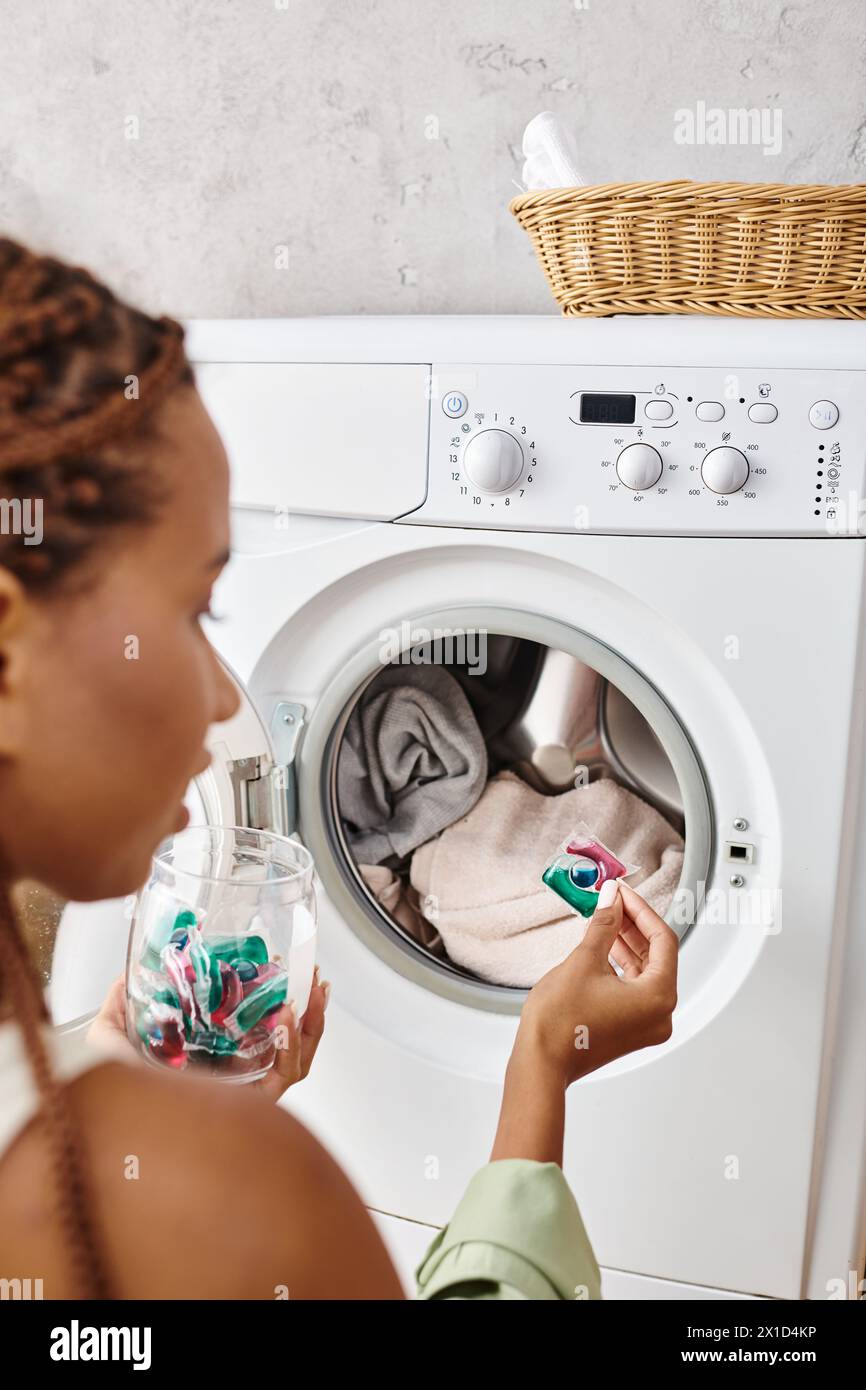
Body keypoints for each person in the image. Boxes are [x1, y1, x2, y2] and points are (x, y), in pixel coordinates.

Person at [0, 236, 678, 1300]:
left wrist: (109, 1074)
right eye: (193, 610)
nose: (226, 697)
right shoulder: (215, 1198)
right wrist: (536, 1069)